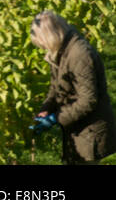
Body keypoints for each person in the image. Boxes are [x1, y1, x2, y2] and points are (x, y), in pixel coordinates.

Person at [28, 10, 115, 164]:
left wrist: (57, 118)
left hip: (90, 131)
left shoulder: (80, 55)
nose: (42, 47)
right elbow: (56, 87)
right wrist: (46, 109)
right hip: (77, 128)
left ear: (51, 37)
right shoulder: (60, 51)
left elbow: (88, 100)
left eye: (42, 42)